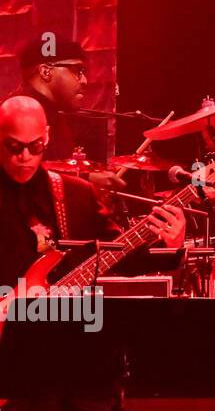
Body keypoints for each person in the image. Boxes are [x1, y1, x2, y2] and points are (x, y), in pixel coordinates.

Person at [0, 96, 184, 290]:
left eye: (35, 146)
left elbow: (120, 256)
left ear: (46, 136)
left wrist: (169, 249)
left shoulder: (76, 194)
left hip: (55, 317)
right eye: (14, 146)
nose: (25, 157)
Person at [6, 33, 122, 194]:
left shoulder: (54, 115)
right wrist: (86, 179)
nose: (84, 81)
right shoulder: (19, 113)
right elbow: (20, 179)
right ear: (46, 72)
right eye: (77, 71)